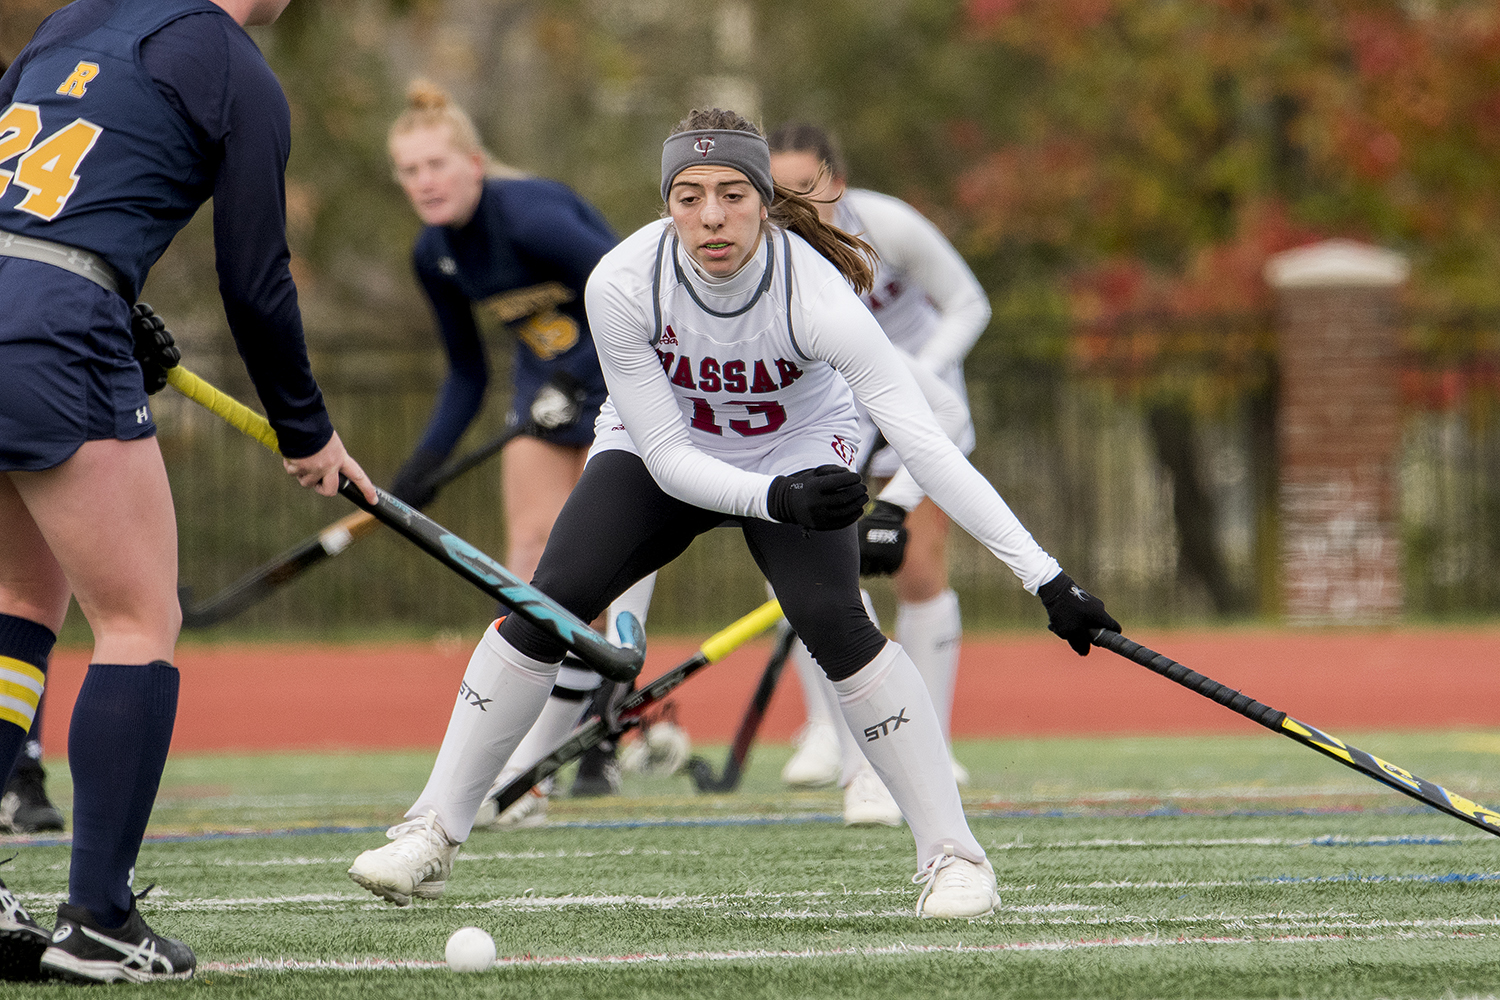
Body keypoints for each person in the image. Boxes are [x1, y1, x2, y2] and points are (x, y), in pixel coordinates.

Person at [347, 108, 1119, 919]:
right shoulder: (620, 281)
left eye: (731, 195)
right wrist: (770, 500)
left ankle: (957, 859)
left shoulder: (817, 294)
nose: (710, 217)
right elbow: (673, 460)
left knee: (837, 625)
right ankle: (431, 831)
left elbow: (929, 446)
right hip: (662, 450)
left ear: (764, 200)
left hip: (796, 452)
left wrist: (1048, 580)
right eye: (687, 196)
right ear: (665, 205)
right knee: (544, 604)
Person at [0, 0, 375, 982]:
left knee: (19, 603)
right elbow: (255, 278)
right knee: (135, 618)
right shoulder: (233, 66)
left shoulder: (69, 22)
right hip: (56, 326)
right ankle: (99, 920)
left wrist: (120, 297)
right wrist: (308, 431)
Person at [384, 81, 654, 821]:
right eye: (410, 170)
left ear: (474, 162)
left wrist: (580, 375)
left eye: (437, 164)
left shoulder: (531, 215)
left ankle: (593, 726)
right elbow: (467, 373)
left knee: (606, 567)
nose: (425, 182)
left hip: (630, 380)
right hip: (546, 394)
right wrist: (421, 467)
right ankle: (529, 776)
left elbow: (638, 296)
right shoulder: (434, 252)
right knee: (535, 565)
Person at [766, 124, 995, 825]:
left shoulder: (890, 224)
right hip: (831, 404)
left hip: (915, 399)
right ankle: (837, 738)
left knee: (917, 568)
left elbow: (969, 304)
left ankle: (934, 739)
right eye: (773, 193)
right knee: (816, 567)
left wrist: (911, 371)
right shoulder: (772, 248)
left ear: (835, 181)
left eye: (802, 189)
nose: (787, 206)